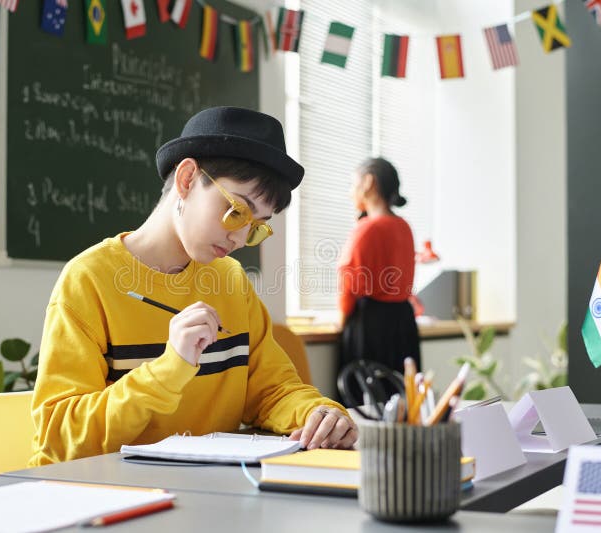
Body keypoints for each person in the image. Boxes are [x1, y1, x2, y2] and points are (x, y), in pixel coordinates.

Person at [30, 106, 358, 466]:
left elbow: (273, 390)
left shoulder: (229, 280)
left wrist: (317, 414)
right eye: (236, 210)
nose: (239, 237)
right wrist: (169, 369)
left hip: (206, 494)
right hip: (104, 499)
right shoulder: (89, 280)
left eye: (256, 227)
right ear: (187, 179)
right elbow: (59, 437)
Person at [337, 157, 420, 382]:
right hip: (403, 324)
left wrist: (343, 321)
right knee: (401, 397)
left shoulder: (366, 229)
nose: (350, 192)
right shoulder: (404, 227)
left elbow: (349, 283)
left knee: (367, 402)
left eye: (353, 184)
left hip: (370, 328)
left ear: (368, 182)